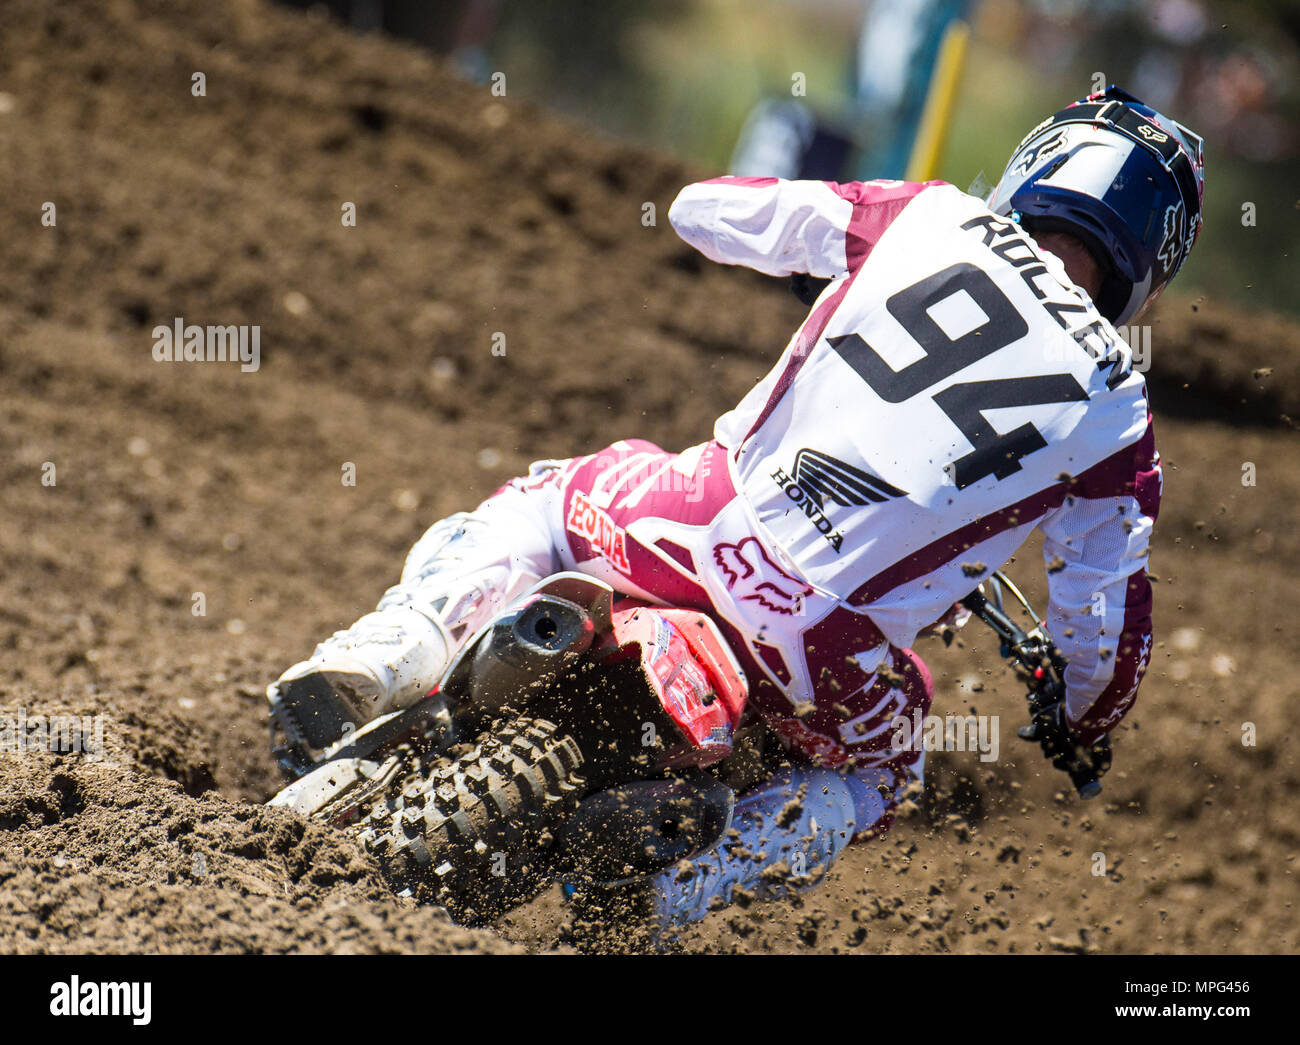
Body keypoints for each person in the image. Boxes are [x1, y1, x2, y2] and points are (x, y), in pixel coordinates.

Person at [267, 87, 1204, 928]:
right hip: (821, 651)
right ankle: (676, 888)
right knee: (883, 775)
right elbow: (1104, 627)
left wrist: (823, 261)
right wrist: (1083, 720)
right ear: (1151, 265)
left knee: (544, 503)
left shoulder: (924, 218)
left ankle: (388, 650)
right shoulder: (1119, 407)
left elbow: (704, 211)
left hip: (687, 522)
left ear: (1038, 164)